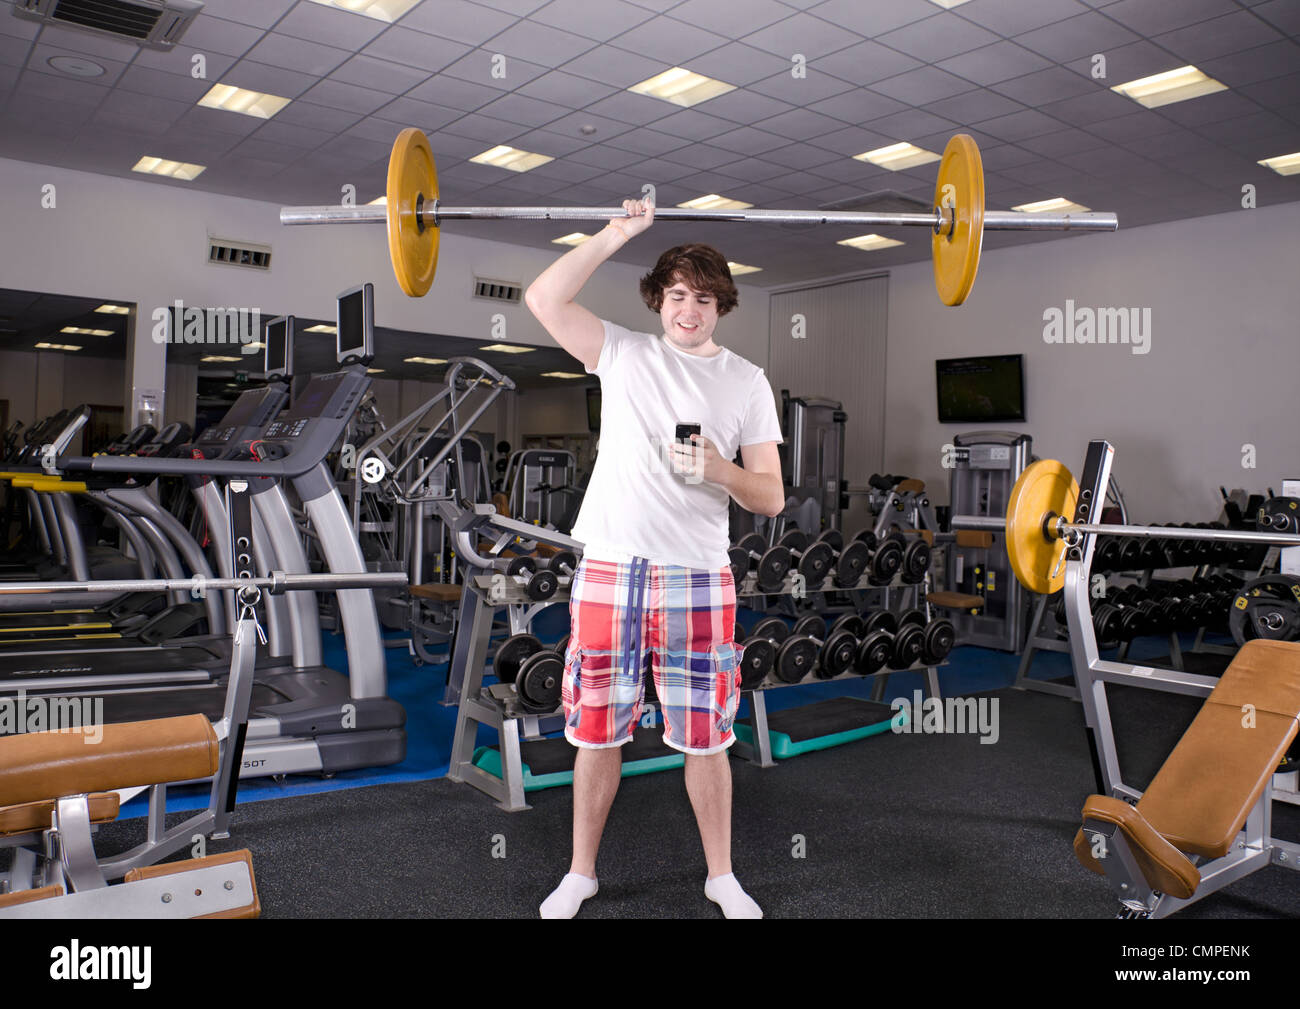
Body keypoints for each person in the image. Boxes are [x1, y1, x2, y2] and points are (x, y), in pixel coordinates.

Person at [524, 197, 785, 919]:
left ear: (721, 305)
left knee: (707, 733)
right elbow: (543, 296)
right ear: (658, 300)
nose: (688, 309)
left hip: (700, 576)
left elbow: (771, 497)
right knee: (596, 728)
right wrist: (618, 232)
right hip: (612, 565)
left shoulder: (747, 380)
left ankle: (721, 875)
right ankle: (581, 872)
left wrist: (720, 470)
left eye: (703, 297)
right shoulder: (622, 351)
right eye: (676, 295)